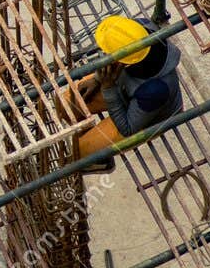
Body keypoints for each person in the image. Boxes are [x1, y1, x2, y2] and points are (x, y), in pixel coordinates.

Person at [73, 15, 183, 166]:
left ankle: (96, 160)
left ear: (125, 62)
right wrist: (97, 79)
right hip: (122, 87)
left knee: (79, 150)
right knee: (68, 100)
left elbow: (128, 129)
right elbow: (111, 56)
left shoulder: (155, 90)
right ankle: (84, 131)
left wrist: (107, 87)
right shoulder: (138, 28)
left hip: (141, 118)